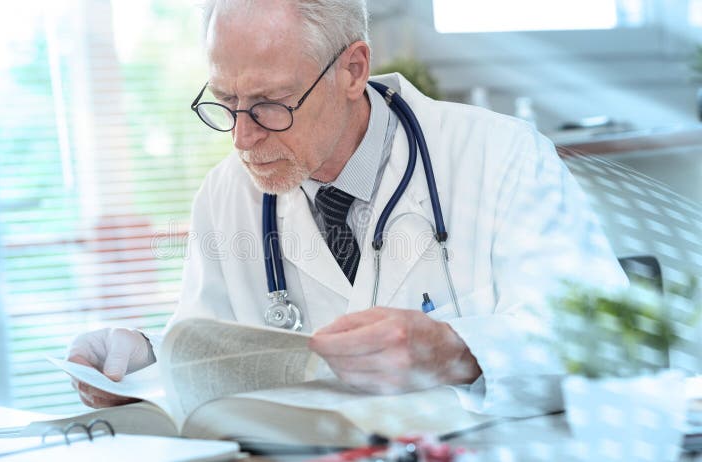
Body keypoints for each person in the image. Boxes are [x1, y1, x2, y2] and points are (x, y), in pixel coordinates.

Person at [68, 0, 627, 416]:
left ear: (353, 70)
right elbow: (211, 351)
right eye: (225, 102)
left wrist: (462, 352)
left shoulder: (500, 156)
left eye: (267, 104)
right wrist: (139, 363)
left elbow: (611, 343)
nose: (241, 137)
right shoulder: (225, 196)